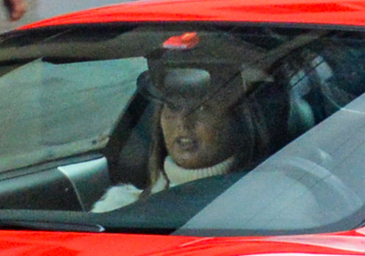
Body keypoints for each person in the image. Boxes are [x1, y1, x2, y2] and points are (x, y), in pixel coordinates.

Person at [95, 56, 266, 215]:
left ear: (236, 120)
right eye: (173, 107)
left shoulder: (266, 207)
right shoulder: (119, 209)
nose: (183, 122)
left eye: (201, 109)